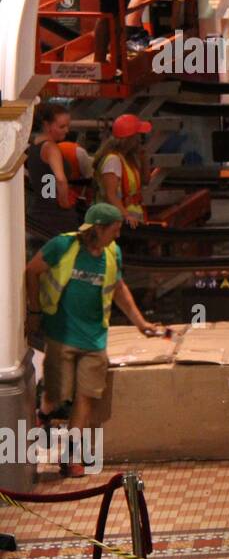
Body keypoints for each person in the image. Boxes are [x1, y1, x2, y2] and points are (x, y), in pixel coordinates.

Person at [24, 203, 163, 477]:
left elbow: (119, 288)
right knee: (58, 396)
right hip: (61, 333)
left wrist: (141, 323)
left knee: (85, 397)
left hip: (94, 338)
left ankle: (71, 456)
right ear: (98, 228)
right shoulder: (62, 246)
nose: (119, 234)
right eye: (115, 228)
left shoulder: (113, 253)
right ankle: (44, 413)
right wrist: (34, 311)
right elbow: (32, 271)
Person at [25, 103, 81, 235]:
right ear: (46, 125)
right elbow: (60, 179)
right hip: (57, 216)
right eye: (61, 126)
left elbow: (46, 180)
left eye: (68, 126)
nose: (66, 131)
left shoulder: (35, 145)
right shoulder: (50, 148)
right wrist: (64, 202)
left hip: (39, 210)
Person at [93, 114, 152, 227]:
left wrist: (144, 159)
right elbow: (111, 195)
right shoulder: (113, 160)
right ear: (130, 138)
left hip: (132, 218)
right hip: (117, 220)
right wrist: (126, 216)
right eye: (138, 136)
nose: (140, 140)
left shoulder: (128, 158)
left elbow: (145, 181)